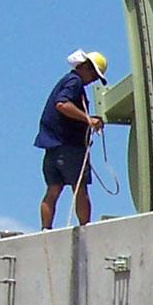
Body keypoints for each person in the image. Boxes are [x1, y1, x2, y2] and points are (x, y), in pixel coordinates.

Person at [37, 50, 107, 229]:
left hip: (52, 147)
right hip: (69, 147)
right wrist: (88, 120)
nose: (92, 79)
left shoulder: (66, 81)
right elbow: (62, 104)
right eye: (93, 74)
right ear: (85, 67)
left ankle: (46, 229)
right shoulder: (74, 82)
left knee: (53, 190)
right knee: (80, 188)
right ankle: (86, 228)